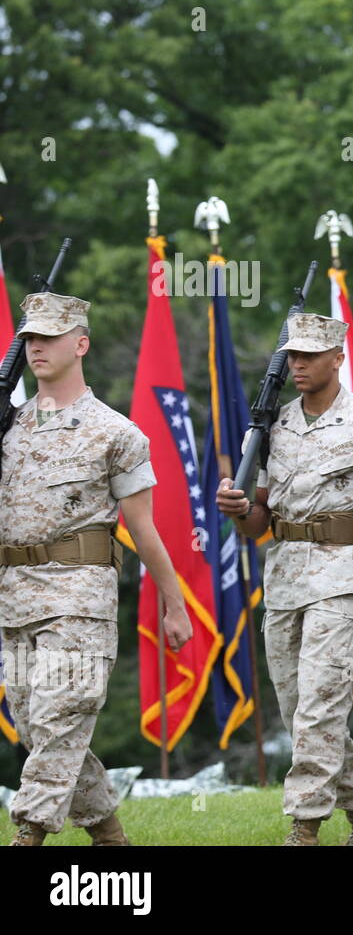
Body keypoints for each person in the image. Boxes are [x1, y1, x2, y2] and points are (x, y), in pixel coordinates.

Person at [217, 312, 353, 846]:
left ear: (338, 357)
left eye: (311, 354)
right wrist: (238, 509)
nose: (299, 364)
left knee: (320, 702)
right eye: (293, 355)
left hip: (341, 575)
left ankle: (304, 828)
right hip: (284, 576)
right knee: (302, 711)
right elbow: (258, 523)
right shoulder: (270, 427)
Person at [3, 292, 193, 846]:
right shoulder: (7, 428)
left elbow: (145, 530)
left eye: (49, 337)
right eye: (29, 338)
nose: (35, 347)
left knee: (61, 719)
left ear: (80, 343)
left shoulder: (116, 434)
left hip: (78, 600)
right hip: (14, 598)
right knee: (41, 730)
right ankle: (111, 839)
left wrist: (174, 604)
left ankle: (28, 835)